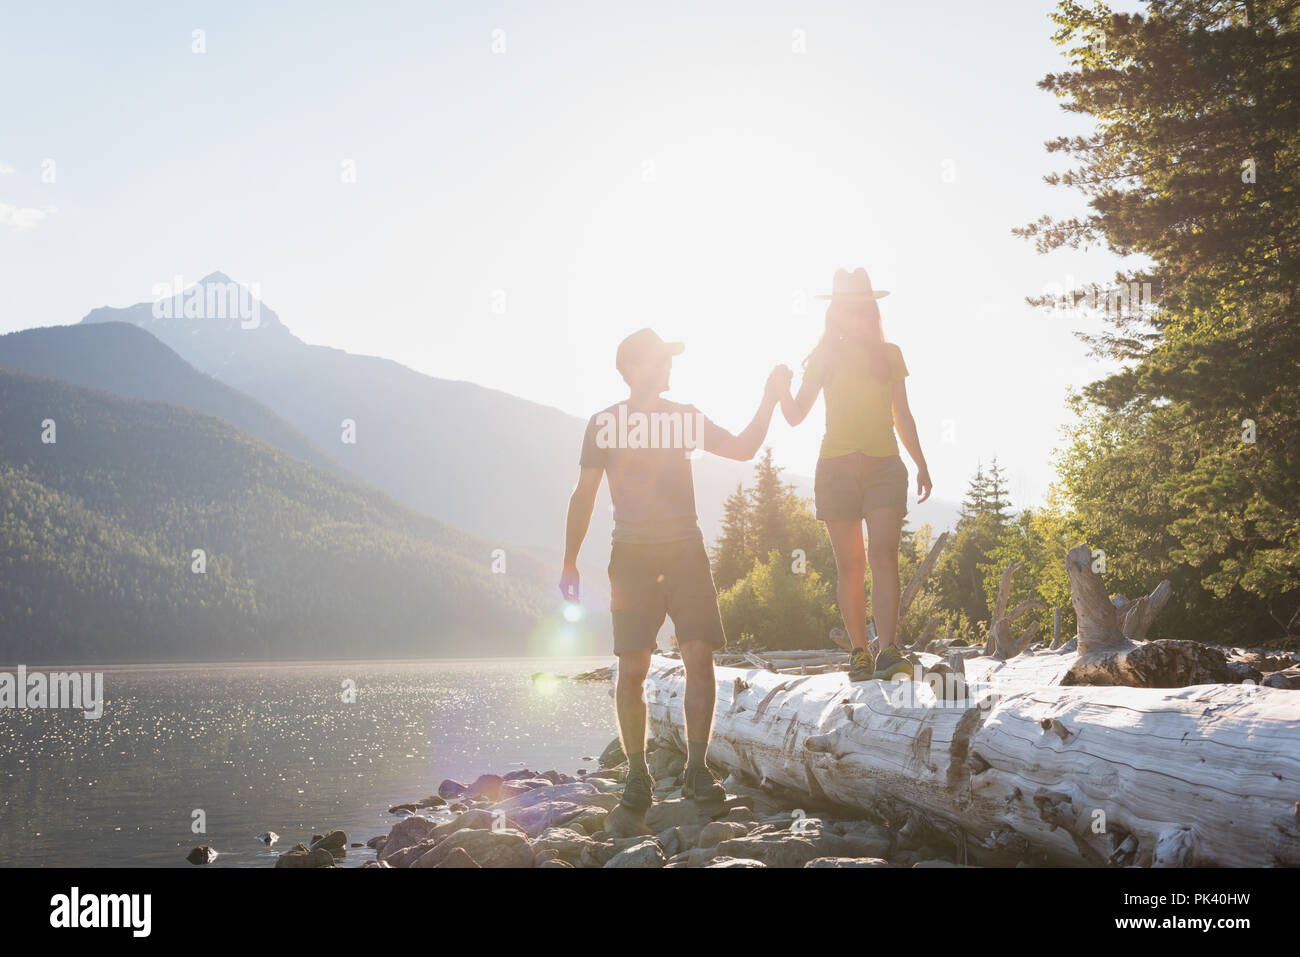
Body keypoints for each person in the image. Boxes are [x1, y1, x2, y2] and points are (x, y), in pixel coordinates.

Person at [560, 327, 787, 833]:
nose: (670, 367)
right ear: (636, 366)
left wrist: (770, 399)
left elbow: (744, 448)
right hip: (631, 556)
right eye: (662, 359)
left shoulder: (684, 417)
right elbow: (584, 494)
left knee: (699, 655)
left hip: (686, 550)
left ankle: (696, 771)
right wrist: (570, 560)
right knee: (632, 666)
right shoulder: (603, 424)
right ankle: (637, 776)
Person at [776, 268, 932, 682]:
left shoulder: (890, 354)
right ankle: (859, 654)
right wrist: (778, 390)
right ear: (837, 312)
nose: (857, 314)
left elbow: (903, 414)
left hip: (885, 467)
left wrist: (921, 463)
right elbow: (795, 416)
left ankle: (889, 651)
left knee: (884, 557)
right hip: (836, 469)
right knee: (851, 565)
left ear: (871, 308)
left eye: (863, 306)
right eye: (848, 307)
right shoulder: (823, 357)